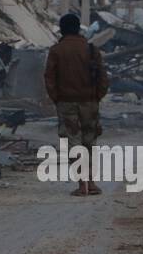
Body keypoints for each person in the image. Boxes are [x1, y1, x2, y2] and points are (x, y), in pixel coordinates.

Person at [44, 12, 109, 196]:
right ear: (79, 28)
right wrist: (97, 96)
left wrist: (56, 98)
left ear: (62, 29)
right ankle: (92, 183)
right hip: (89, 102)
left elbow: (49, 78)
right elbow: (103, 78)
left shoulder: (56, 51)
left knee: (73, 142)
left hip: (66, 103)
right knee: (90, 141)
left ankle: (82, 185)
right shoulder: (90, 49)